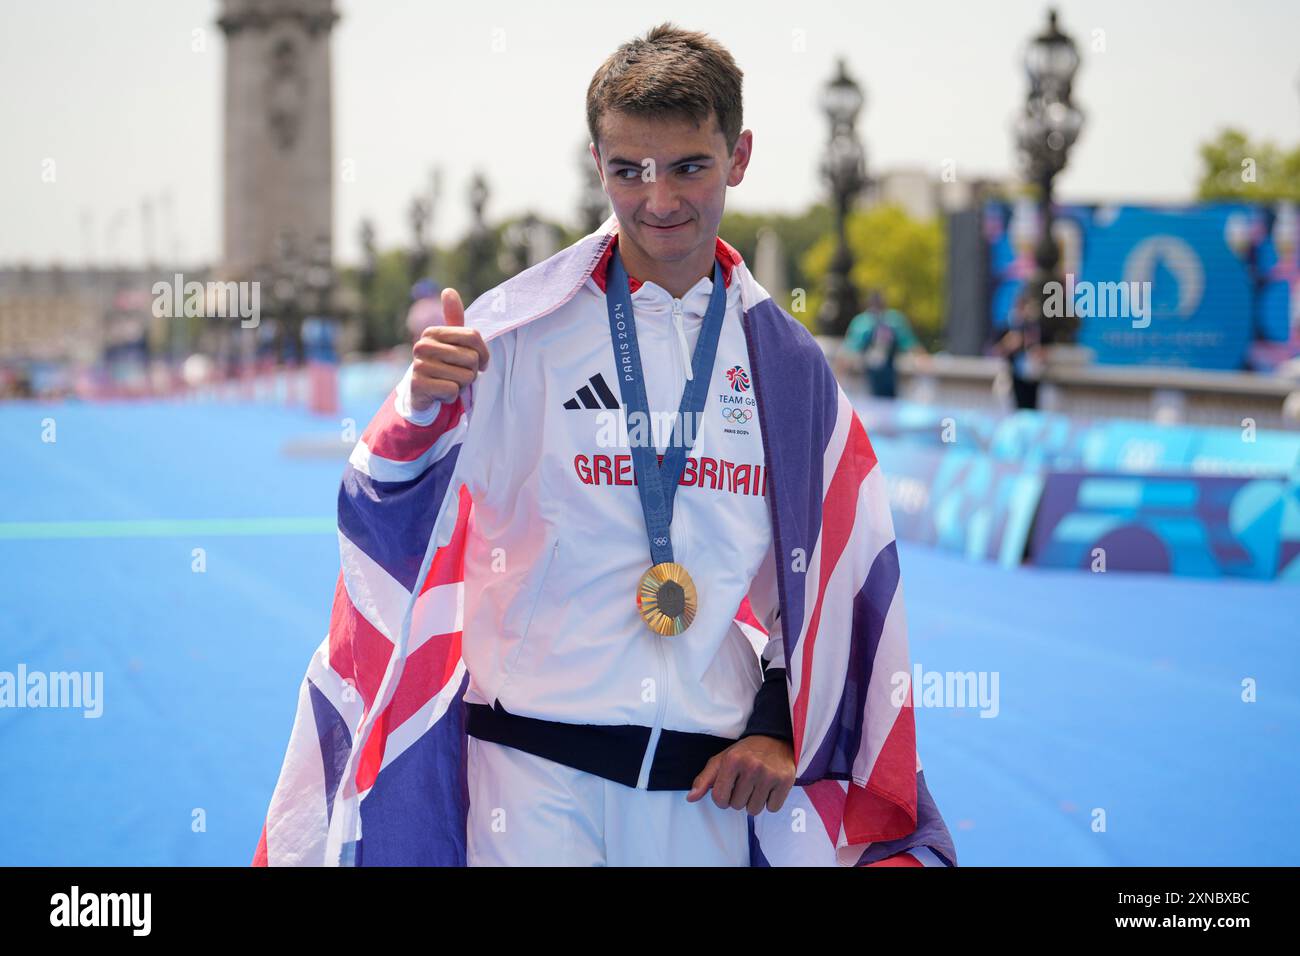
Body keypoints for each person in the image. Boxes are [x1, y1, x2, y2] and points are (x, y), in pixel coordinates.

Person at [256, 22, 955, 869]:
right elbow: (384, 510)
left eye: (689, 167)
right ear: (598, 165)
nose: (658, 199)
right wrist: (419, 405)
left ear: (738, 156)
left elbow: (833, 587)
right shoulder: (513, 335)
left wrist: (776, 723)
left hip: (702, 796)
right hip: (532, 780)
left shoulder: (787, 367)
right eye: (629, 170)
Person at [836, 290, 923, 399]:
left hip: (882, 379)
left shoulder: (869, 322)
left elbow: (846, 353)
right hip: (873, 379)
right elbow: (913, 347)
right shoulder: (885, 321)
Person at [993, 288, 1045, 410]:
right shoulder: (1008, 326)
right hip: (1014, 376)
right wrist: (1008, 344)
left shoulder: (1035, 328)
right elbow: (995, 350)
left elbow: (1042, 350)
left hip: (1032, 376)